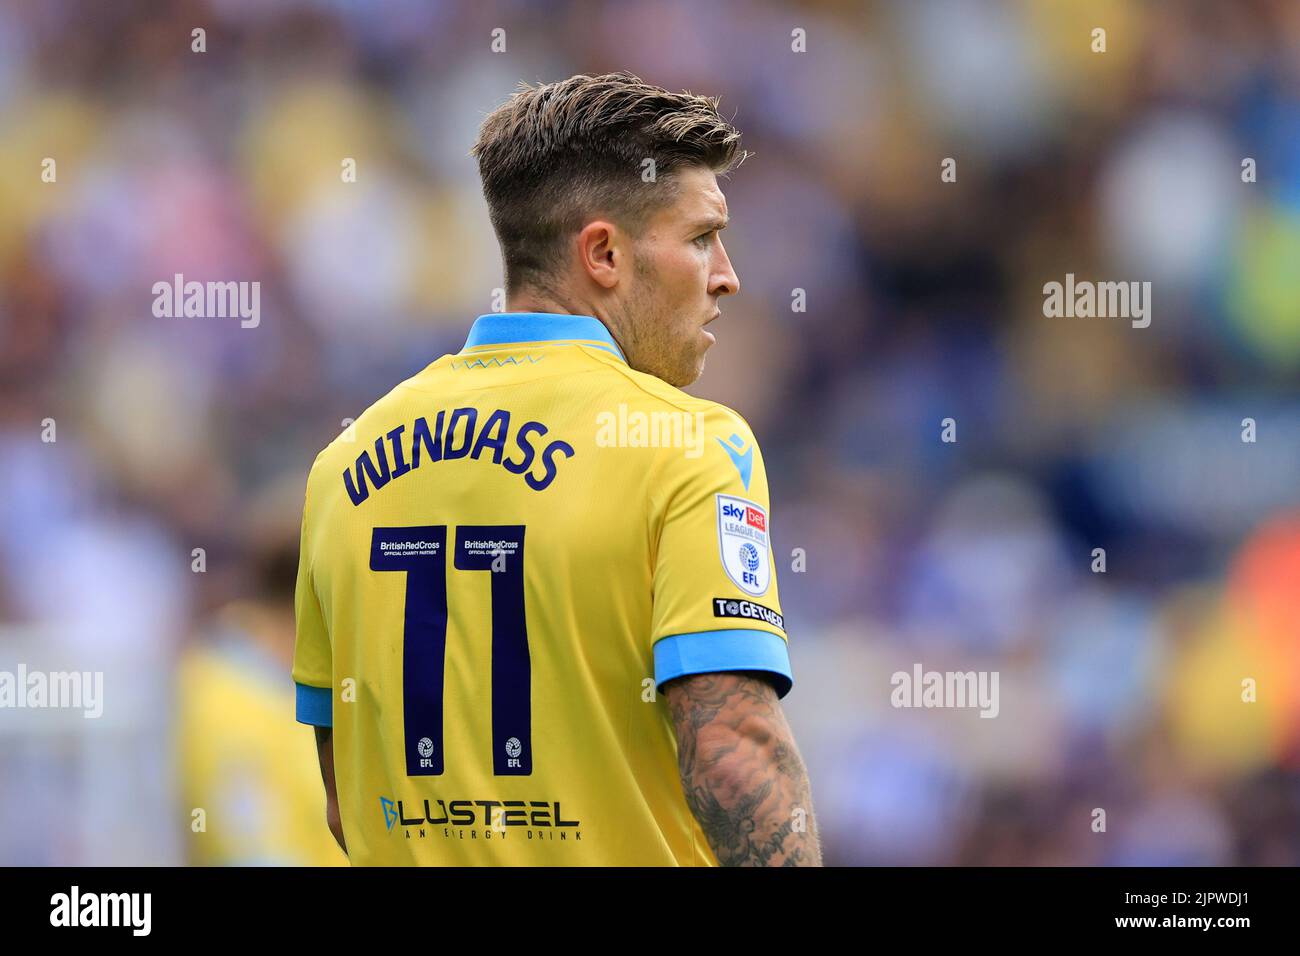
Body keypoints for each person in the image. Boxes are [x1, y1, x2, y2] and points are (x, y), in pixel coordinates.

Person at [292, 71, 821, 865]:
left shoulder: (342, 466)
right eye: (703, 237)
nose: (727, 275)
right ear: (604, 254)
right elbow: (732, 753)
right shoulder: (690, 446)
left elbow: (345, 803)